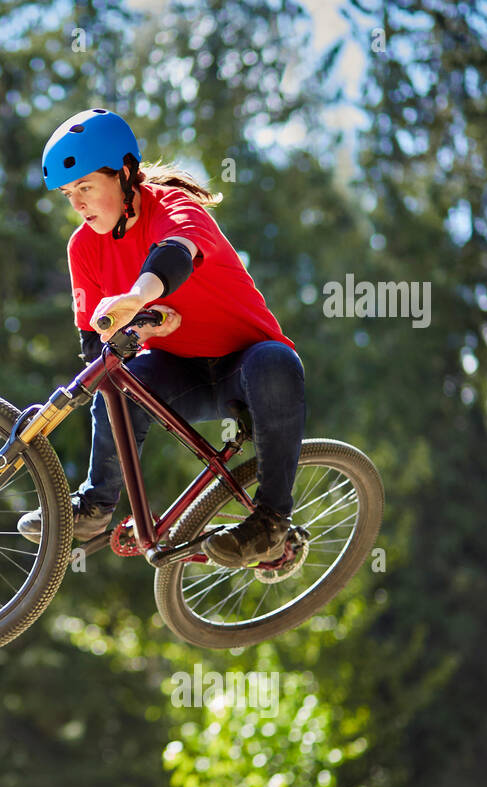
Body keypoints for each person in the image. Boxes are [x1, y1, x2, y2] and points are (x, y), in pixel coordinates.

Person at [16, 108, 305, 569]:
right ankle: (95, 506)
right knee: (119, 385)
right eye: (70, 194)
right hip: (178, 372)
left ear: (126, 173)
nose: (78, 204)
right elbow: (96, 347)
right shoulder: (83, 247)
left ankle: (270, 524)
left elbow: (175, 255)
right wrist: (135, 330)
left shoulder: (172, 207)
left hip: (245, 367)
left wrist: (135, 298)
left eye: (86, 187)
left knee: (275, 362)